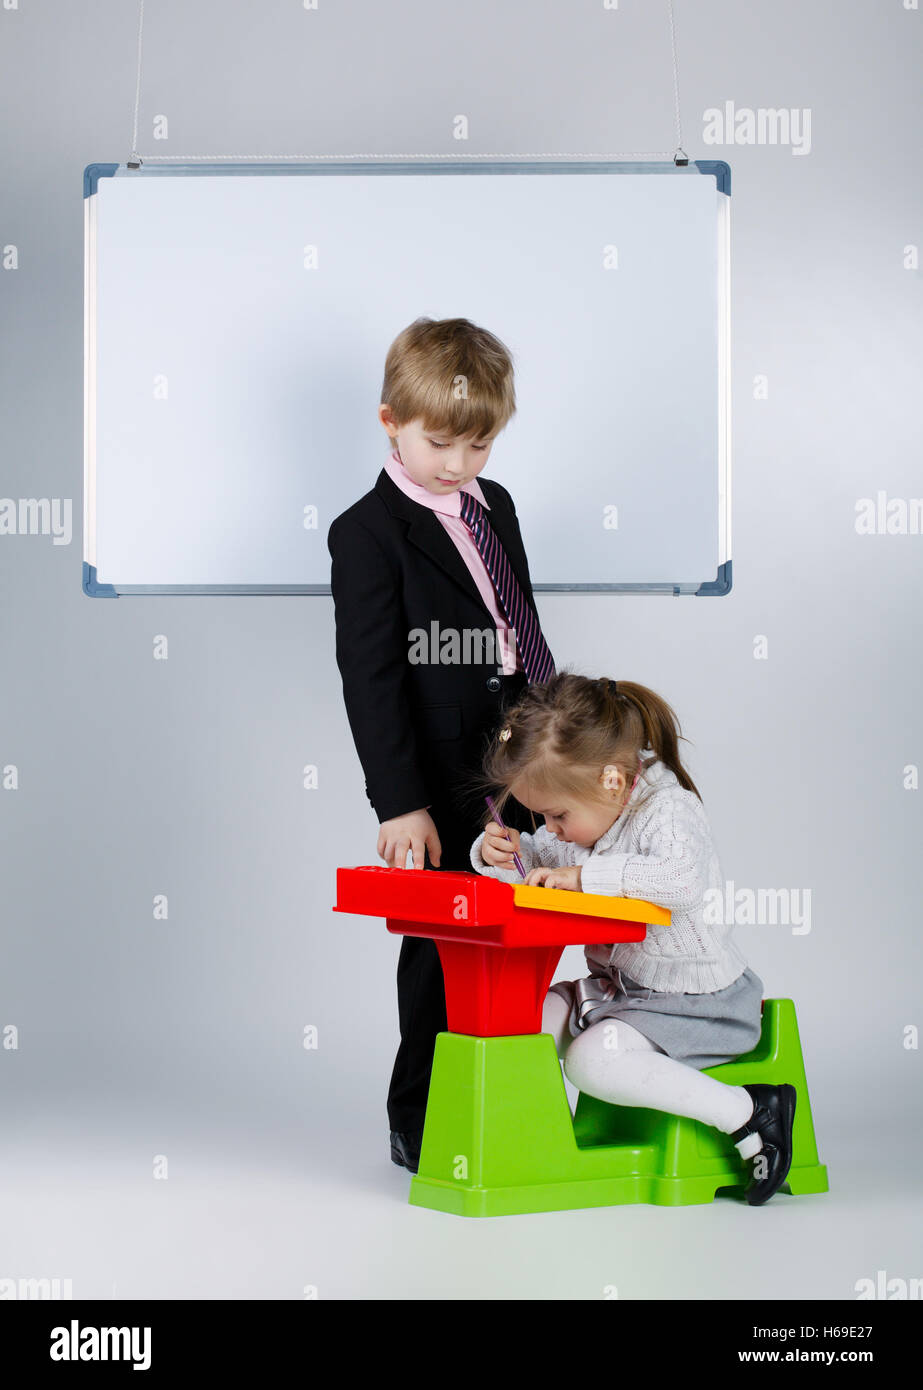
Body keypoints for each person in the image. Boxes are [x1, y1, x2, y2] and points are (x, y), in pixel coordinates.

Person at [327, 316, 555, 1174]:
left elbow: (520, 626)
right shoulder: (366, 533)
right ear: (390, 421)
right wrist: (399, 801)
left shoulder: (497, 507)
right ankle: (419, 1116)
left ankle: (512, 1093)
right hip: (439, 771)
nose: (457, 466)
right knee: (444, 946)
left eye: (478, 446)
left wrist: (553, 741)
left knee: (528, 925)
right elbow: (372, 678)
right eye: (439, 444)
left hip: (520, 748)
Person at [468, 670, 796, 1205]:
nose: (550, 828)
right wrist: (499, 854)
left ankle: (749, 1110)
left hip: (697, 1003)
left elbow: (682, 883)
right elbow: (542, 863)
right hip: (623, 994)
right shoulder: (591, 819)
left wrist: (587, 877)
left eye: (556, 815)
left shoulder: (667, 811)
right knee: (526, 1016)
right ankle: (531, 1152)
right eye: (541, 816)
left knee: (592, 1061)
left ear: (612, 779)